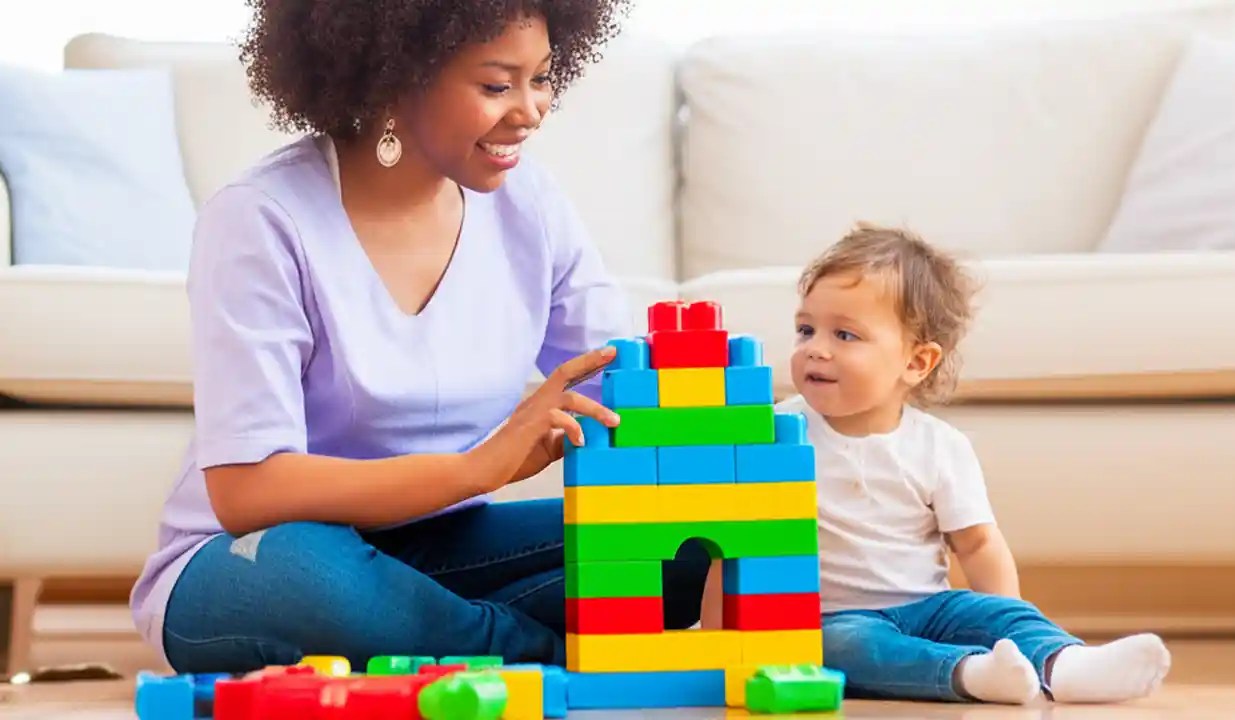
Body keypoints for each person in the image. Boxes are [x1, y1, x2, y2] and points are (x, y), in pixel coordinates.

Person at [129, 0, 711, 674]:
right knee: (311, 579)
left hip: (442, 546)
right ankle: (532, 653)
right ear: (396, 75)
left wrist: (756, 431)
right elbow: (246, 491)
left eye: (542, 78)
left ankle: (448, 641)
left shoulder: (533, 208)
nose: (531, 110)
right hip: (260, 553)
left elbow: (621, 373)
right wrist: (475, 469)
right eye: (497, 85)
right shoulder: (262, 218)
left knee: (678, 545)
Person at [778, 222, 1172, 704]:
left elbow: (978, 543)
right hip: (836, 616)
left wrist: (1000, 622)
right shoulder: (778, 430)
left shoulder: (939, 446)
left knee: (1005, 616)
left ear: (916, 363)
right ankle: (971, 674)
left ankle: (1064, 664)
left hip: (933, 607)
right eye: (805, 329)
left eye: (844, 334)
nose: (816, 347)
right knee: (838, 647)